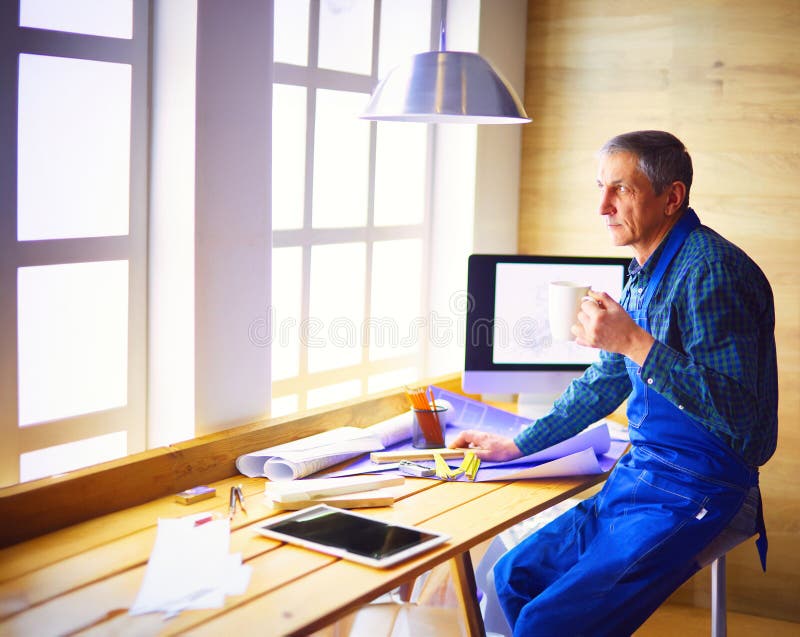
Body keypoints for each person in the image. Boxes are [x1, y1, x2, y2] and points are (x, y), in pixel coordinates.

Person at [450, 130, 778, 636]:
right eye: (600, 187)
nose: (603, 206)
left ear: (672, 197)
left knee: (546, 623)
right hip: (641, 475)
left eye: (620, 189)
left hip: (701, 489)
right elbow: (605, 382)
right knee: (512, 576)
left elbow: (744, 420)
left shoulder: (712, 271)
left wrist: (633, 342)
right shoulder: (642, 271)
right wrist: (517, 444)